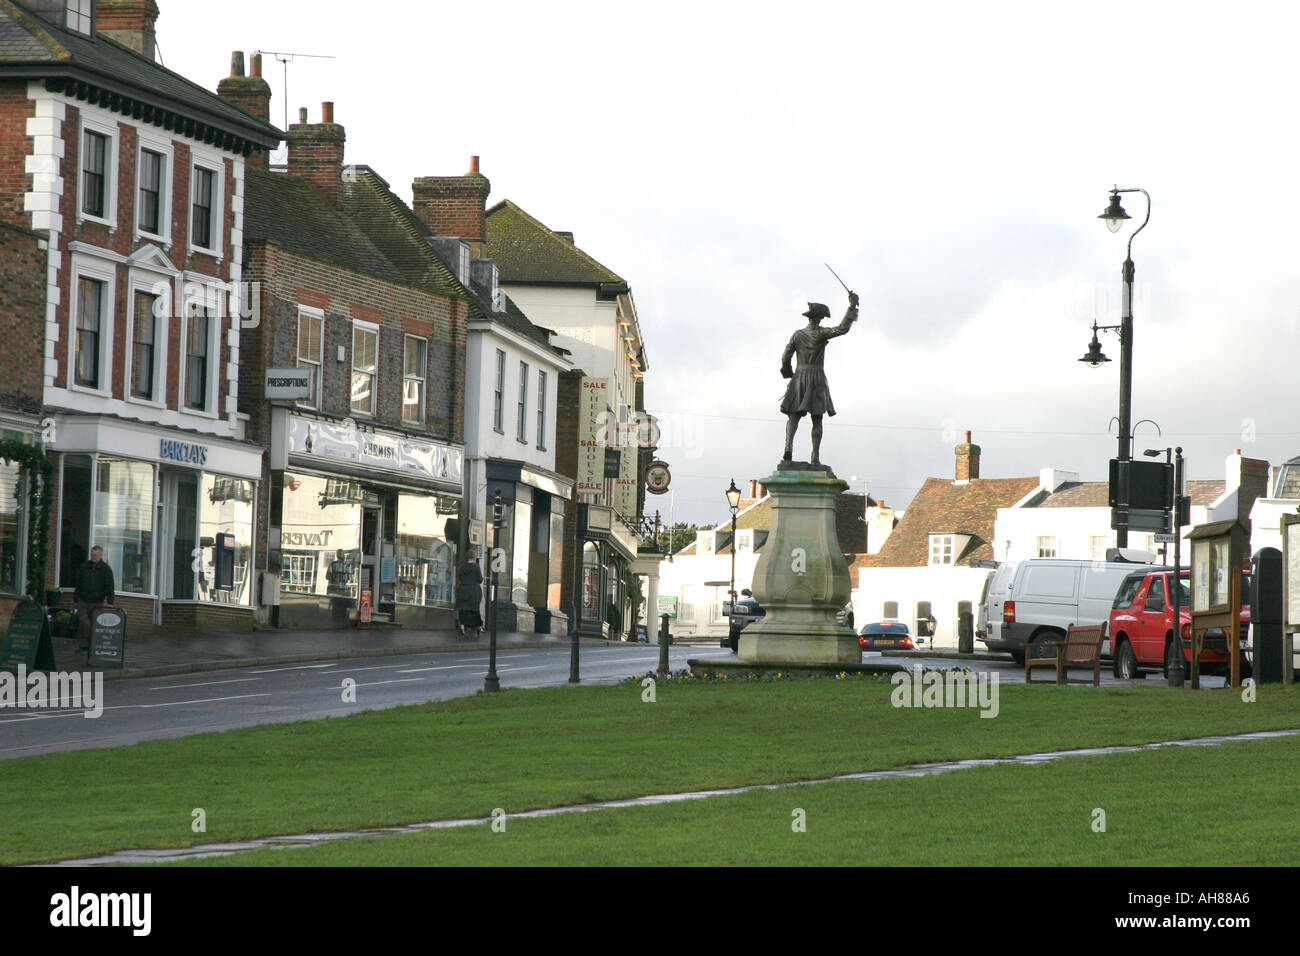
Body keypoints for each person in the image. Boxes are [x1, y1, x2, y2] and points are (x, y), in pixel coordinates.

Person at [780, 292, 859, 465]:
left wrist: (789, 373)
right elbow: (842, 329)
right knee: (817, 418)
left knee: (793, 416)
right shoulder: (821, 333)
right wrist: (852, 307)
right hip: (816, 377)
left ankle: (788, 448)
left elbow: (786, 356)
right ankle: (815, 456)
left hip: (799, 377)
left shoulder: (797, 334)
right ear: (820, 318)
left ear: (809, 318)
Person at [73, 545, 114, 652]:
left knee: (95, 624)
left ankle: (93, 644)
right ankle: (83, 644)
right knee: (83, 622)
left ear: (101, 555)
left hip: (97, 601)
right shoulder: (84, 567)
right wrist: (75, 598)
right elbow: (78, 583)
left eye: (96, 555)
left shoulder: (106, 569)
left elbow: (110, 586)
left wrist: (110, 602)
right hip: (83, 600)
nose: (94, 557)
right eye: (92, 555)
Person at [455, 550, 484, 636]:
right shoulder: (476, 567)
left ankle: (462, 627)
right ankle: (478, 626)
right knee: (474, 609)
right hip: (473, 591)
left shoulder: (462, 567)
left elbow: (460, 578)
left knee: (463, 609)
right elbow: (480, 579)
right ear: (474, 557)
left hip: (463, 590)